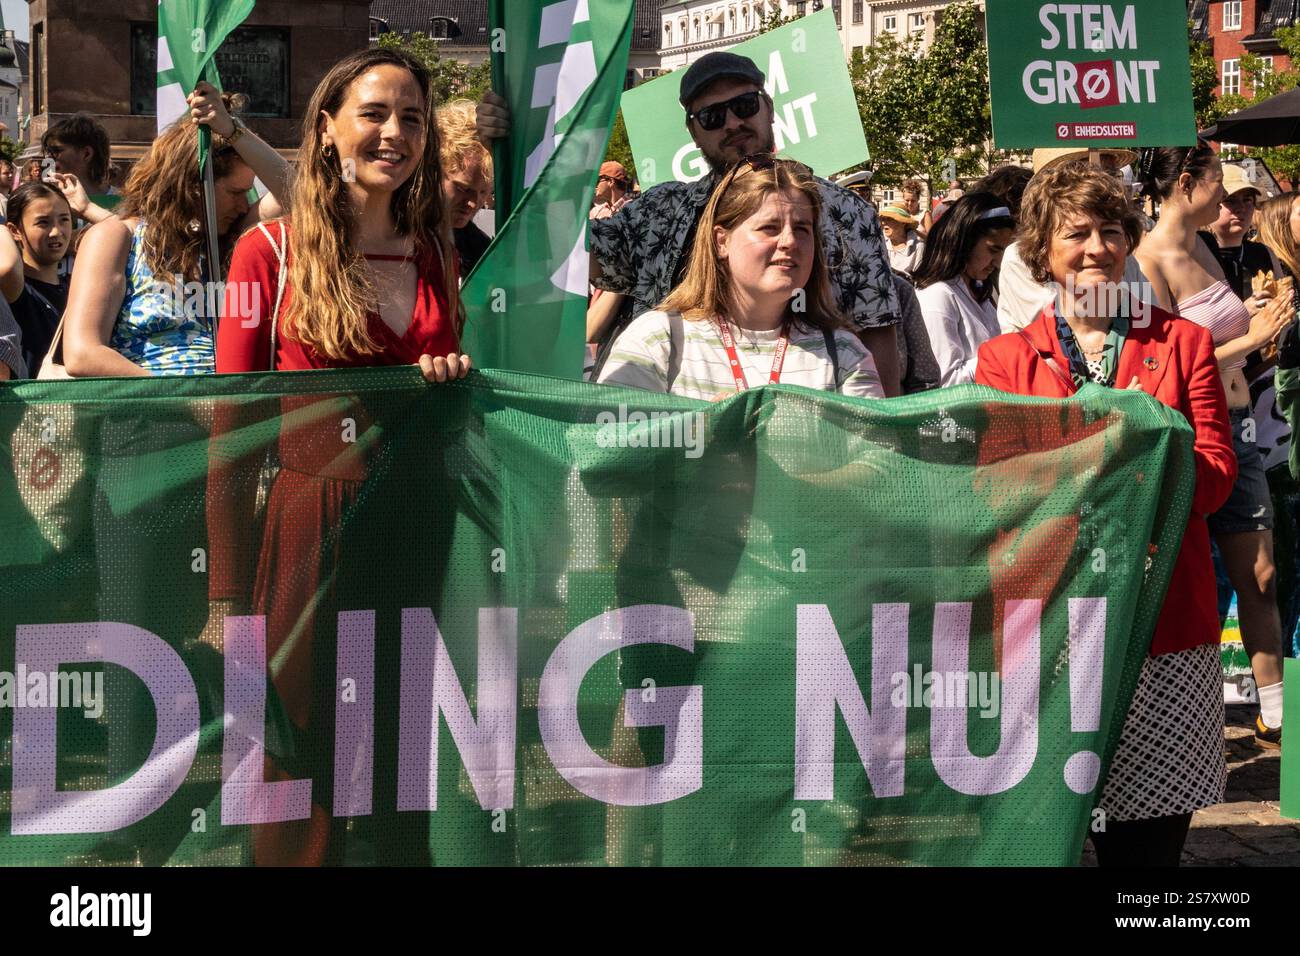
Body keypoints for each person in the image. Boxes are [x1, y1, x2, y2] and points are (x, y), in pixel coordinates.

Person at [209, 47, 471, 867]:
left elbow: (452, 392)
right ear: (326, 129)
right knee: (296, 745)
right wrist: (224, 589)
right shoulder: (267, 253)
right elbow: (232, 424)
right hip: (307, 526)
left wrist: (448, 374)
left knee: (401, 751)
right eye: (375, 113)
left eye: (413, 119)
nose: (395, 133)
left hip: (417, 519)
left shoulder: (435, 250)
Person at [976, 162, 1237, 867]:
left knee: (1147, 855)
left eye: (1112, 232)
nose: (1096, 248)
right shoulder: (1003, 361)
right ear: (1042, 251)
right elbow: (1000, 490)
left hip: (1160, 627)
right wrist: (1125, 461)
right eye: (1077, 233)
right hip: (1053, 631)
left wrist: (1115, 460)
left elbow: (1212, 480)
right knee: (1048, 843)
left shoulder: (1180, 345)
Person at [478, 50, 904, 396]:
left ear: (769, 108)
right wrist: (519, 153)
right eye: (713, 116)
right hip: (665, 433)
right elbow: (565, 247)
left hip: (808, 427)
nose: (734, 123)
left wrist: (882, 441)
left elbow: (877, 333)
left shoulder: (844, 211)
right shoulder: (660, 210)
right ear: (694, 132)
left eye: (744, 105)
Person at [1135, 145, 1290, 747]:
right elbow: (1162, 364)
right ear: (1185, 183)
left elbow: (1219, 330)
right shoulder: (1148, 261)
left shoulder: (1204, 246)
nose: (1227, 197)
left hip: (1239, 426)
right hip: (1191, 436)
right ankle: (1180, 717)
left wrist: (1255, 314)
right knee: (1187, 582)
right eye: (1216, 183)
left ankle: (1275, 715)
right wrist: (1252, 338)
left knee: (1261, 573)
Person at [597, 156, 882, 400]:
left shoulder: (844, 354)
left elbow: (878, 462)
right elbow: (606, 451)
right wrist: (700, 433)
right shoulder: (656, 340)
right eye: (769, 227)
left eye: (802, 229)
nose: (789, 241)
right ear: (721, 241)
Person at [61, 83, 289, 377]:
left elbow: (298, 192)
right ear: (193, 186)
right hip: (150, 416)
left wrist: (232, 130)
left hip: (228, 415)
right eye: (235, 192)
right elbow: (83, 354)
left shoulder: (228, 239)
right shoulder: (117, 237)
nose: (245, 206)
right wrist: (183, 401)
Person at [997, 147, 1147, 333]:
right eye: (1087, 173)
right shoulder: (1019, 258)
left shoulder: (1121, 256)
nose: (1105, 183)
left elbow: (1148, 317)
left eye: (1111, 174)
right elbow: (1057, 330)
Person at [912, 192, 1015, 385]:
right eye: (993, 250)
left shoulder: (978, 288)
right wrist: (1005, 353)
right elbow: (946, 380)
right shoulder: (937, 296)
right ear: (964, 240)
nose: (999, 262)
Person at [0, 182, 79, 375]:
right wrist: (2, 226)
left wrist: (86, 208)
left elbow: (129, 239)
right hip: (34, 404)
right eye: (43, 222)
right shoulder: (16, 290)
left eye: (64, 220)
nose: (56, 231)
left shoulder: (78, 287)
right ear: (15, 231)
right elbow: (8, 267)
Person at [1203, 164, 1278, 306]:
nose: (1241, 208)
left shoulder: (1264, 253)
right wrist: (1244, 313)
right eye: (1230, 200)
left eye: (1247, 200)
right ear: (1212, 203)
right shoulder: (1196, 254)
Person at [437, 98, 493, 274]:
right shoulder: (391, 231)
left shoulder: (481, 251)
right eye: (463, 188)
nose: (473, 203)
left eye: (483, 192)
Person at [42, 113, 119, 211]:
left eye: (56, 151)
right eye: (48, 152)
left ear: (86, 154)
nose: (49, 157)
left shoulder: (124, 205)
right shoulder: (46, 200)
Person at [879, 203, 924, 276]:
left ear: (903, 222)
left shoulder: (918, 246)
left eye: (889, 219)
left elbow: (919, 278)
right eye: (883, 219)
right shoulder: (880, 243)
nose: (884, 223)